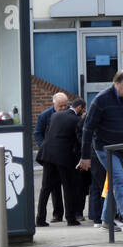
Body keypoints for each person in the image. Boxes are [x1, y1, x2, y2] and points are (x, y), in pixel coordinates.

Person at [78, 69, 123, 232]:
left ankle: (106, 220)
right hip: (106, 148)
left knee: (117, 182)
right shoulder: (101, 100)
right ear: (116, 84)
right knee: (119, 180)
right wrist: (85, 156)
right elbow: (87, 129)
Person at [42, 97, 85, 226]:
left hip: (48, 155)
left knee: (45, 188)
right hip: (64, 158)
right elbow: (79, 140)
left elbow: (48, 133)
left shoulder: (55, 116)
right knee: (68, 187)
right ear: (79, 108)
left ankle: (39, 219)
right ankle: (70, 218)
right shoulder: (76, 120)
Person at [35, 92, 69, 226]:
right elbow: (38, 133)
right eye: (60, 106)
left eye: (65, 105)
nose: (63, 108)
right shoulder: (44, 116)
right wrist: (44, 147)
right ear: (54, 104)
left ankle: (62, 214)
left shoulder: (69, 114)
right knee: (49, 186)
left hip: (63, 155)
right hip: (49, 155)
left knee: (63, 184)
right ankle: (54, 215)